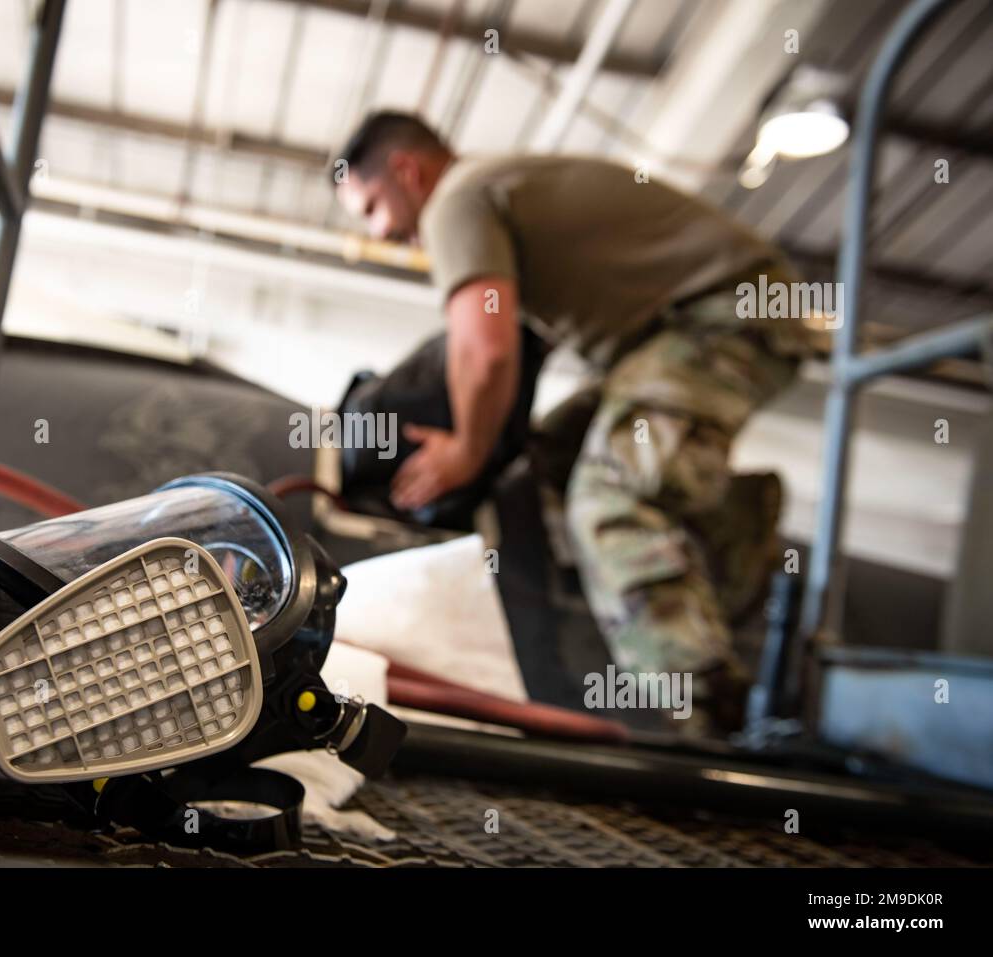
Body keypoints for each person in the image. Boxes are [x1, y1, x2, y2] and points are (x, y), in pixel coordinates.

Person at [331, 111, 818, 734]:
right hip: (675, 332)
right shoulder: (502, 192)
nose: (384, 232)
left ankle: (707, 714)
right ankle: (735, 524)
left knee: (607, 496)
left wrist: (466, 451)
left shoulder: (456, 202)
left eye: (373, 208)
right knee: (553, 458)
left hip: (722, 315)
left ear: (407, 170)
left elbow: (486, 349)